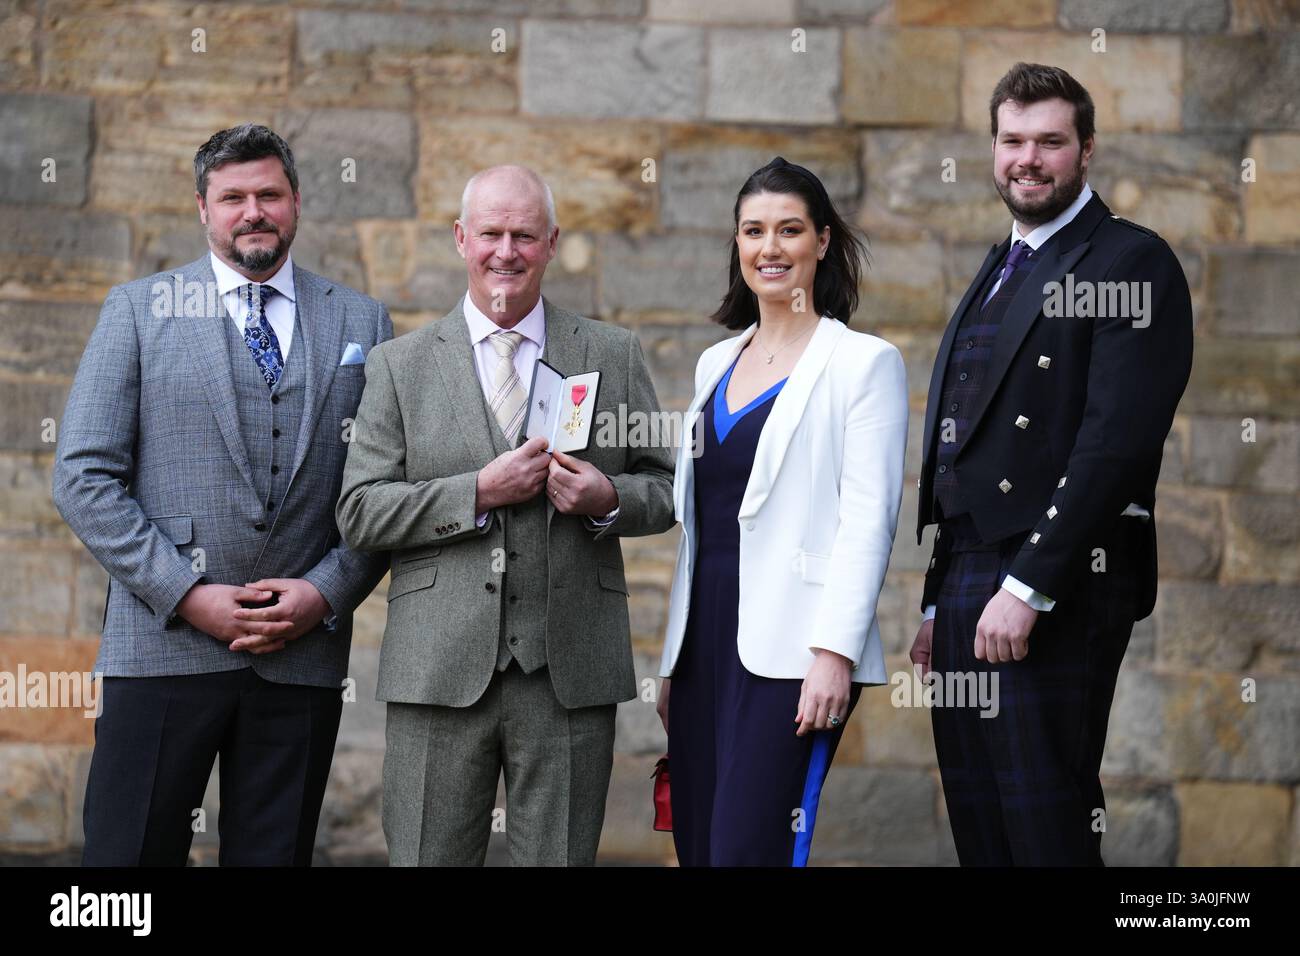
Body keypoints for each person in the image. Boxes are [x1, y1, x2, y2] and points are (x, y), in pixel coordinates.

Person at [52, 123, 392, 866]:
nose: (253, 211)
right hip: (162, 646)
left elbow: (381, 490)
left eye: (269, 193)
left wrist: (324, 593)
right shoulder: (138, 310)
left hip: (299, 658)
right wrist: (187, 592)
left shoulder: (361, 321)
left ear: (297, 203)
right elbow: (81, 474)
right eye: (232, 197)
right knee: (126, 866)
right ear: (203, 209)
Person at [336, 165, 676, 866]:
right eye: (490, 232)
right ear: (462, 239)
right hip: (437, 670)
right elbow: (360, 512)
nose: (506, 250)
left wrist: (607, 501)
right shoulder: (399, 366)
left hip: (568, 670)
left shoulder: (611, 353)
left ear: (551, 242)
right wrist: (478, 492)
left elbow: (667, 491)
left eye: (524, 234)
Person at [909, 63, 1194, 866]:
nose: (1027, 159)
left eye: (1049, 142)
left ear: (1087, 149)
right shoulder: (1000, 266)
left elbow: (1116, 444)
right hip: (970, 576)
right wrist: (938, 602)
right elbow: (966, 440)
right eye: (1011, 141)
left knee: (1046, 824)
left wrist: (1030, 584)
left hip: (1059, 577)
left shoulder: (1128, 262)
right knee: (982, 820)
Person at [657, 157, 909, 866]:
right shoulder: (715, 365)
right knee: (701, 849)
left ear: (822, 242)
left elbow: (869, 521)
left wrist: (833, 654)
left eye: (790, 230)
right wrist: (673, 662)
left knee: (749, 850)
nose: (770, 248)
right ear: (737, 246)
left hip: (793, 657)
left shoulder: (865, 365)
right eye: (753, 231)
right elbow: (697, 528)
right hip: (705, 646)